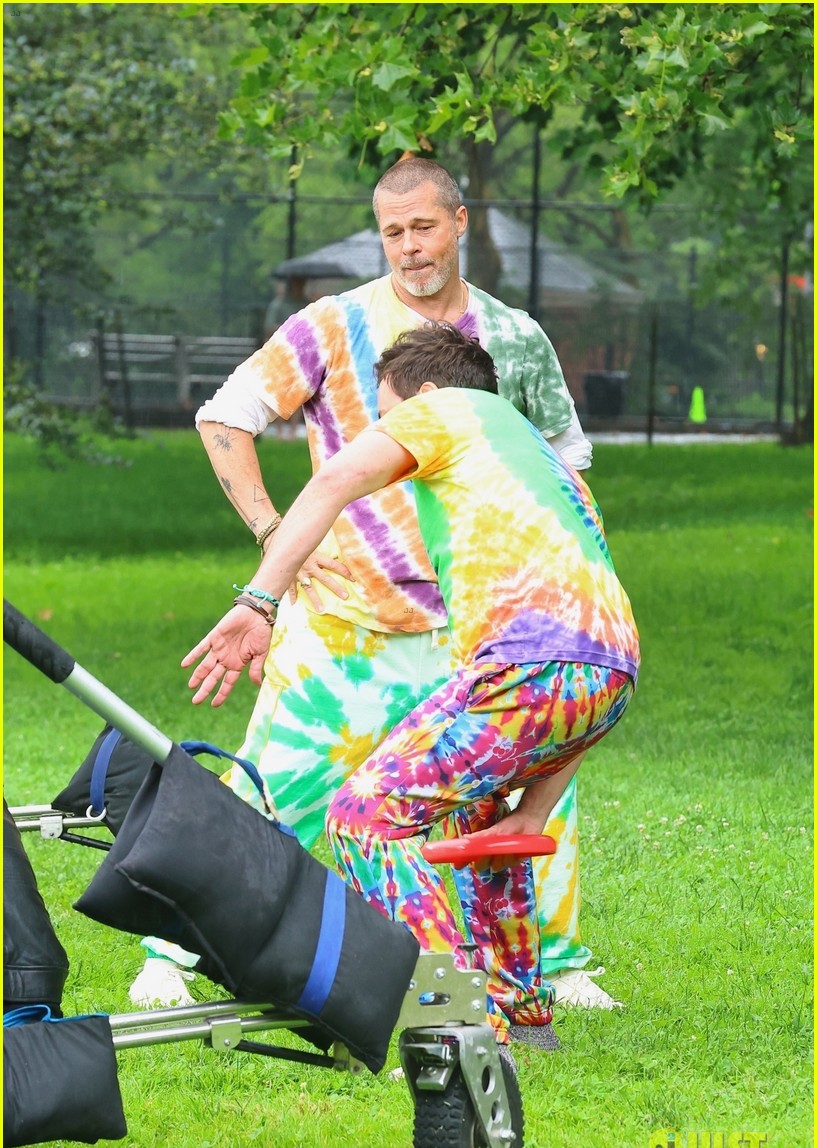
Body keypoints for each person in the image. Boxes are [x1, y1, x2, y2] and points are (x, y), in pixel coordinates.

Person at [128, 157, 608, 1020]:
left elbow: (565, 461)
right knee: (270, 791)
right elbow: (224, 415)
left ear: (459, 222)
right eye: (392, 231)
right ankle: (174, 952)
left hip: (474, 631)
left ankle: (550, 967)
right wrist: (275, 546)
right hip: (341, 621)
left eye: (423, 227)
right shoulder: (330, 324)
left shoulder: (516, 337)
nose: (408, 247)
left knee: (527, 789)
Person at [182, 323, 640, 1045]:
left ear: (422, 395)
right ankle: (522, 1015)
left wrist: (259, 601)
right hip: (605, 667)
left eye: (385, 413)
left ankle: (450, 1016)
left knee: (363, 816)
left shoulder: (445, 408)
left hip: (526, 663)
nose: (386, 433)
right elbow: (589, 659)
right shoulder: (543, 463)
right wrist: (535, 807)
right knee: (479, 821)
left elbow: (333, 479)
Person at [263, 273, 311, 342]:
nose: (299, 287)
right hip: (282, 342)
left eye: (301, 284)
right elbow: (269, 327)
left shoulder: (307, 304)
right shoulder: (278, 304)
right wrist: (290, 328)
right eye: (297, 284)